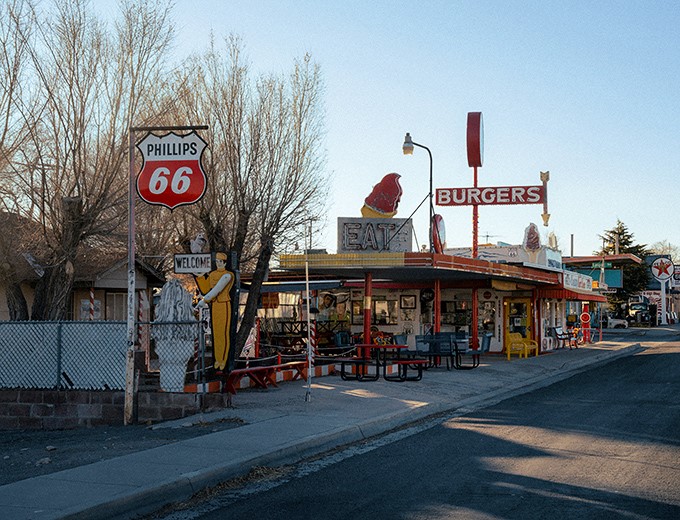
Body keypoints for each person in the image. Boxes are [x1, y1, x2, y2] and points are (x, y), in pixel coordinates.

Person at [195, 252, 234, 371]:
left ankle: (223, 360)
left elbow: (217, 289)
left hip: (224, 304)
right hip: (215, 305)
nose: (218, 264)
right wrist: (200, 276)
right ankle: (217, 359)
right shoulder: (212, 274)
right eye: (216, 262)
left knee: (223, 333)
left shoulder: (228, 275)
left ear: (225, 263)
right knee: (216, 334)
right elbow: (206, 289)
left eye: (220, 262)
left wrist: (204, 300)